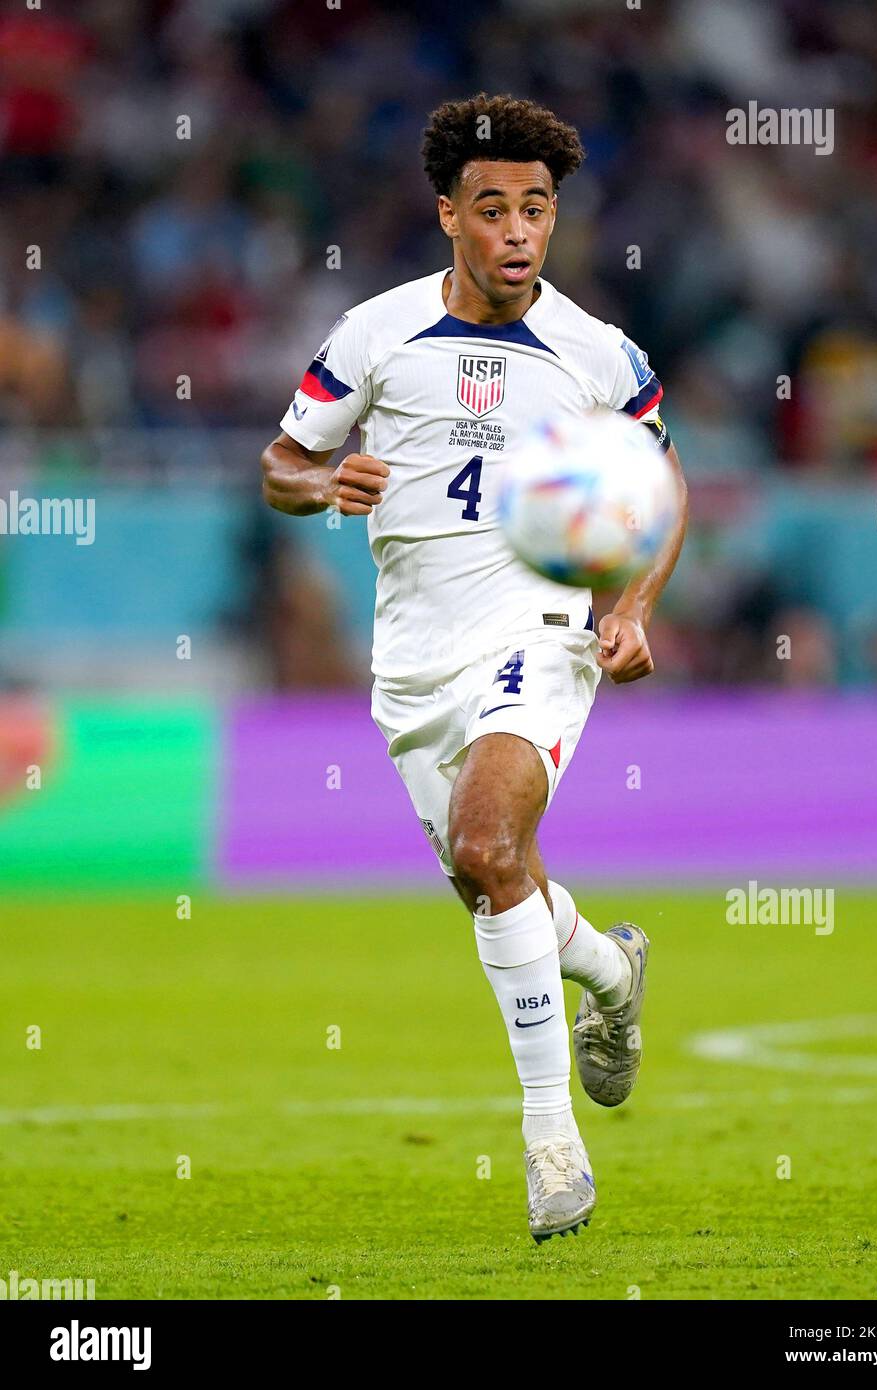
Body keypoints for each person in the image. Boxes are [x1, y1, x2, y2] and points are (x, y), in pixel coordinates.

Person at [261, 93, 688, 1242]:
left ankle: (550, 1146)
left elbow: (666, 483)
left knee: (491, 842)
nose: (516, 231)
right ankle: (608, 968)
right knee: (484, 876)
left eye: (536, 209)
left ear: (554, 219)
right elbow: (281, 464)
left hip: (538, 637)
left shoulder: (596, 353)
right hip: (411, 663)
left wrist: (634, 603)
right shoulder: (374, 334)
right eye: (492, 208)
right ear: (449, 212)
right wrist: (325, 482)